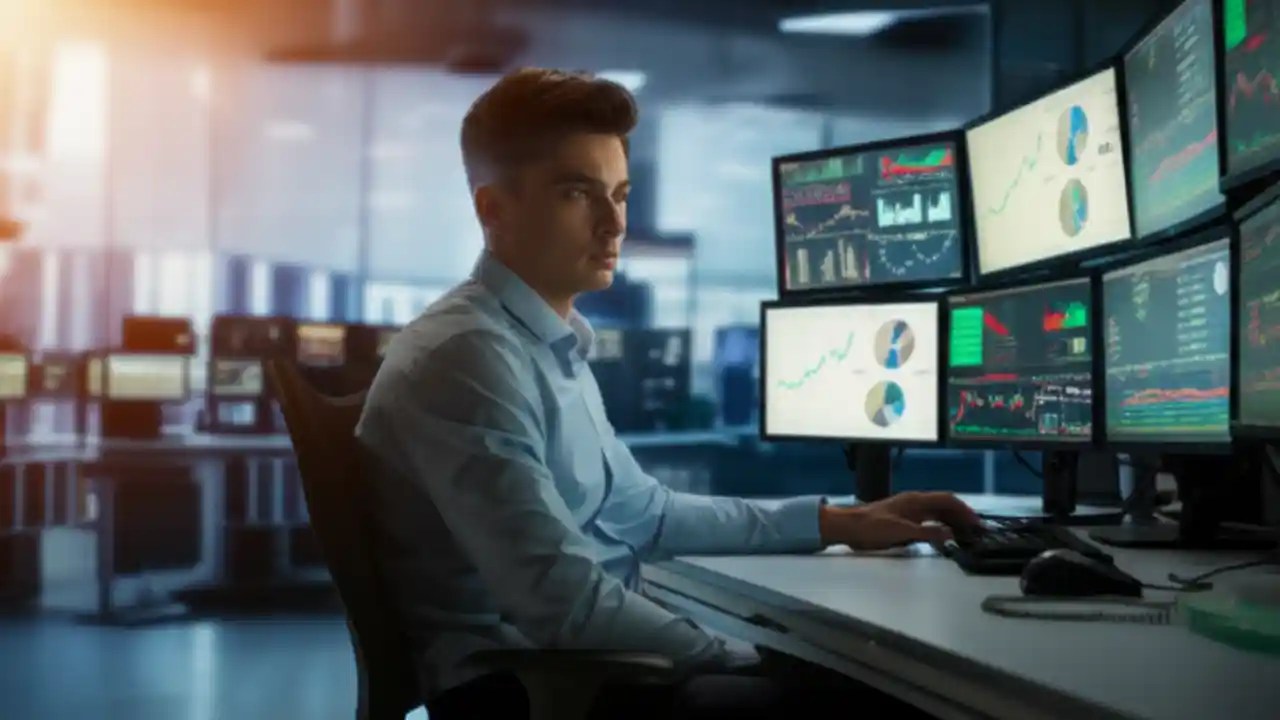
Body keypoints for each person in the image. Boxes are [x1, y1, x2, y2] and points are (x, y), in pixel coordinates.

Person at [355, 67, 981, 719]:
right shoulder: (468, 357)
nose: (613, 225)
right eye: (578, 193)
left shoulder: (539, 343)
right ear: (494, 210)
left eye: (620, 195)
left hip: (585, 668)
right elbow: (560, 603)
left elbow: (647, 513)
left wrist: (839, 523)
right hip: (540, 693)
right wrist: (742, 656)